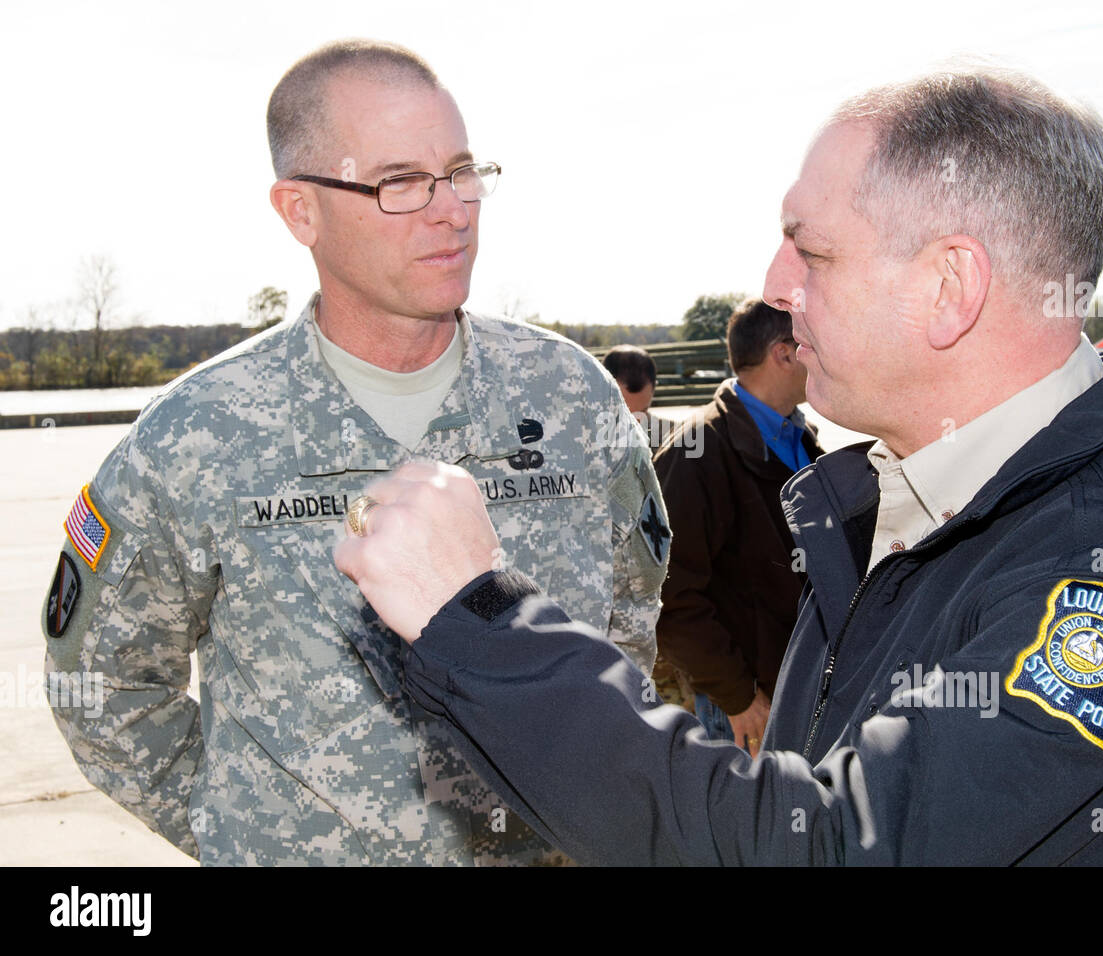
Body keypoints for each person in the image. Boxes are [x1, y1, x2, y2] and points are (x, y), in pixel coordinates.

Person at [335, 67, 1103, 864]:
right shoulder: (915, 496)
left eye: (813, 250)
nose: (774, 286)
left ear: (949, 287)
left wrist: (484, 624)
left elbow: (824, 848)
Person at [41, 39, 666, 866]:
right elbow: (103, 689)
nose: (453, 209)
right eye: (401, 182)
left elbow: (631, 622)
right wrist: (243, 833)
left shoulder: (572, 403)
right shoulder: (196, 438)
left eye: (463, 171)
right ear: (301, 211)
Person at [654, 298, 824, 752]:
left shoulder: (801, 438)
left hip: (802, 690)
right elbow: (670, 596)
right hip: (751, 708)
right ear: (783, 353)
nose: (822, 354)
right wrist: (739, 696)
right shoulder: (695, 453)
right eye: (812, 342)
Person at [602, 344, 673, 451]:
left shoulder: (671, 436)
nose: (634, 422)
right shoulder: (582, 436)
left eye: (642, 411)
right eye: (622, 412)